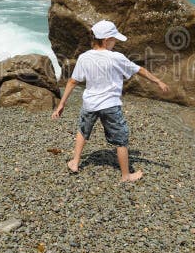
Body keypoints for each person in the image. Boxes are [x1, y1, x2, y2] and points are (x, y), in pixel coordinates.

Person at [52, 20, 169, 182]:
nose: (116, 43)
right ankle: (126, 175)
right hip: (110, 105)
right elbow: (139, 70)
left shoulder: (84, 57)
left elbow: (72, 81)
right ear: (106, 41)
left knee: (83, 130)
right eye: (114, 40)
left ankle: (75, 162)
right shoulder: (116, 58)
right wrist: (157, 81)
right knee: (121, 139)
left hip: (90, 104)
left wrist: (61, 104)